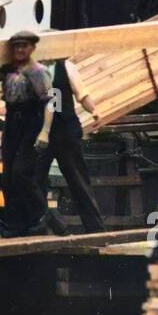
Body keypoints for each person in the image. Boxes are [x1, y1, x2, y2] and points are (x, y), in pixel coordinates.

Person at [0, 30, 55, 236]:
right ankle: (15, 225)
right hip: (12, 121)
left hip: (31, 121)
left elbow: (50, 102)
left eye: (24, 46)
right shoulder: (8, 69)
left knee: (21, 173)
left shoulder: (38, 72)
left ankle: (41, 217)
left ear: (32, 48)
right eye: (16, 46)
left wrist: (45, 132)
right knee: (8, 177)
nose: (20, 50)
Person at [37, 58, 107, 234]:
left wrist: (95, 111)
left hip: (65, 131)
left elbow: (81, 94)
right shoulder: (34, 69)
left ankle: (96, 230)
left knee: (78, 180)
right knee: (35, 179)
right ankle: (46, 226)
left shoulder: (66, 67)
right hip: (41, 133)